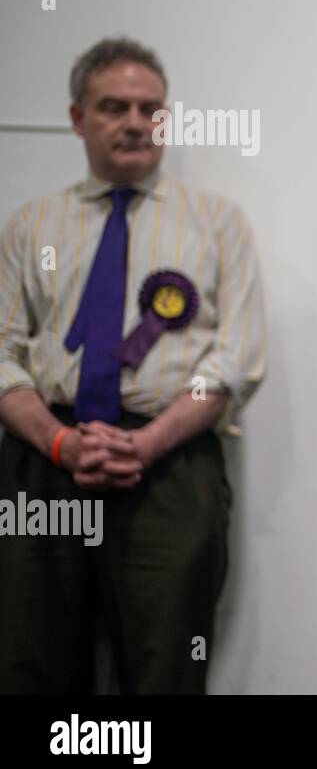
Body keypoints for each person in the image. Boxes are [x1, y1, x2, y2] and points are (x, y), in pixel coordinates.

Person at [0, 37, 266, 693]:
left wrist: (145, 444)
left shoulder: (218, 223)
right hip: (44, 462)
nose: (134, 122)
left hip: (171, 465)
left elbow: (234, 361)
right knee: (33, 660)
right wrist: (60, 442)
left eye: (150, 109)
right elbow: (3, 353)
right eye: (113, 106)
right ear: (76, 117)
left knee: (167, 665)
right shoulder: (31, 225)